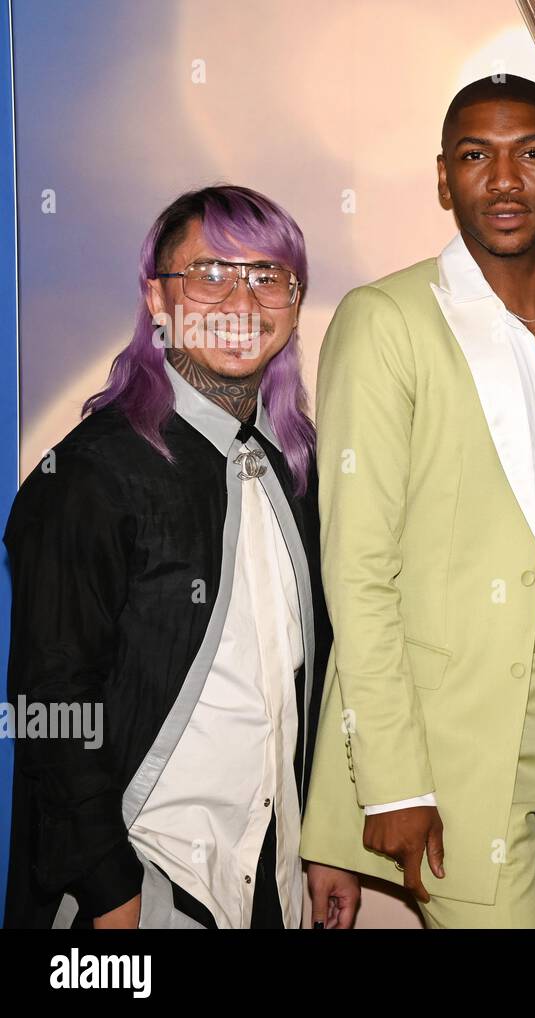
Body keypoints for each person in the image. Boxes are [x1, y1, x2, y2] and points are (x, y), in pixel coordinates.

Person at [299, 75, 535, 928]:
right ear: (445, 180)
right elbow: (357, 573)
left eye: (533, 155)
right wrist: (394, 778)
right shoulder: (386, 320)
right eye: (477, 156)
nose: (505, 180)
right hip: (451, 739)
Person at [4, 184, 352, 929]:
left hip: (271, 873)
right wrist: (110, 891)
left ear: (293, 309)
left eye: (268, 277)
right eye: (210, 273)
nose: (241, 300)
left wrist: (324, 838)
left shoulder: (296, 469)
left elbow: (307, 683)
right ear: (157, 301)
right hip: (146, 887)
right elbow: (50, 703)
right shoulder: (91, 478)